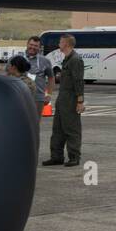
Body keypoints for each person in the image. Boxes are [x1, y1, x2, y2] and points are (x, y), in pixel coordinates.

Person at [42, 33, 85, 167]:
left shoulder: (75, 60)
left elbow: (78, 81)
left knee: (72, 129)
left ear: (66, 44)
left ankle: (74, 157)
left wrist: (80, 101)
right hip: (62, 99)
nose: (58, 44)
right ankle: (56, 156)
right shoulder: (67, 59)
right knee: (58, 130)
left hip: (71, 100)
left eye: (60, 42)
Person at [24, 35, 53, 108]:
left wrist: (49, 95)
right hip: (21, 97)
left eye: (36, 46)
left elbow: (51, 78)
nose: (33, 47)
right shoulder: (18, 58)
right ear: (27, 44)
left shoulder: (45, 61)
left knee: (36, 119)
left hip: (38, 99)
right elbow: (9, 76)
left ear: (39, 48)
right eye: (31, 44)